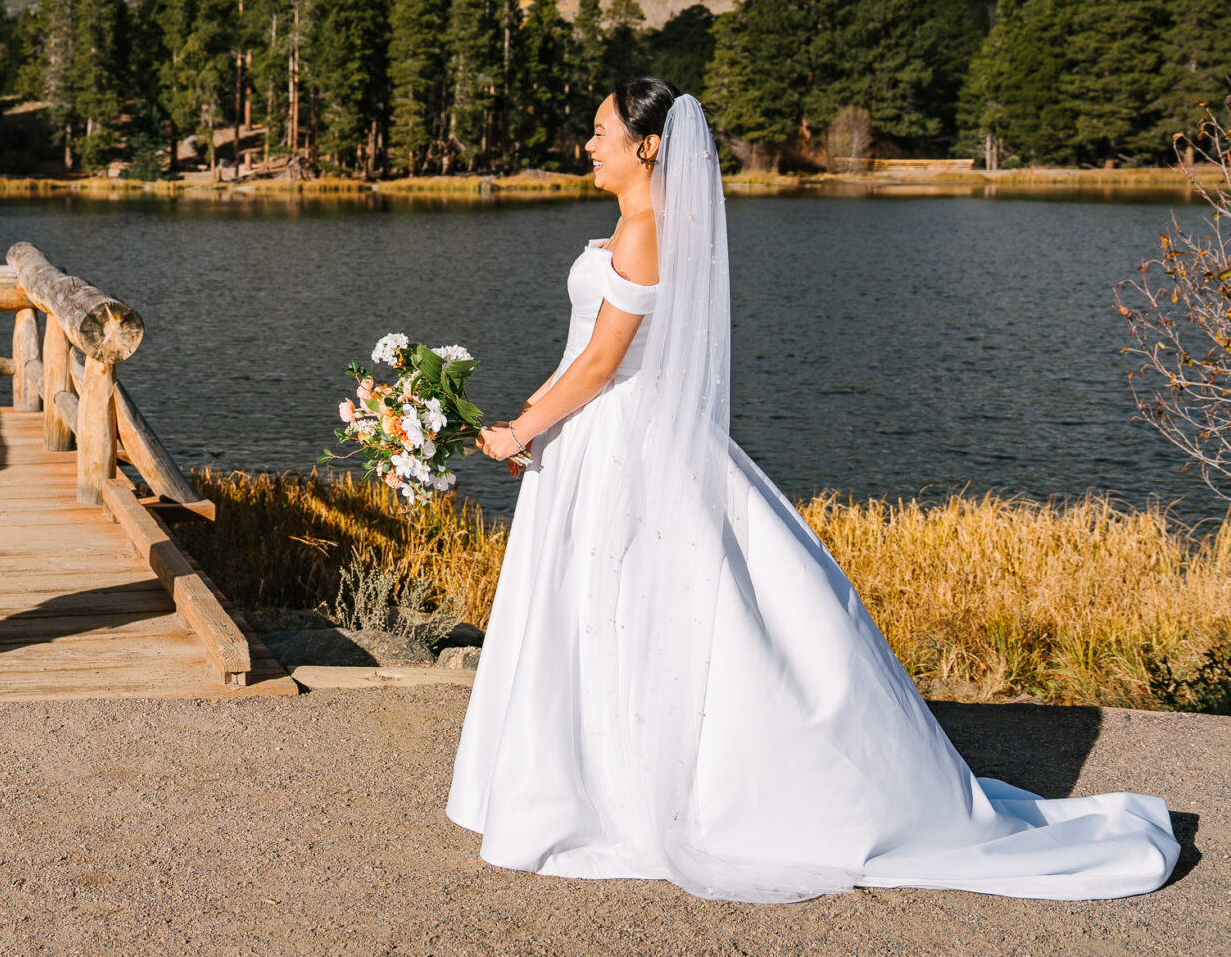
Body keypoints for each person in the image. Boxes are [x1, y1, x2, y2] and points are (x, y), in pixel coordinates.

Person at [453, 78, 1178, 902]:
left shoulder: (651, 227)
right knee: (602, 606)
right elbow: (582, 349)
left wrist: (522, 430)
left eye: (601, 132)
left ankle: (630, 791)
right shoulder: (632, 221)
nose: (588, 145)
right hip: (595, 436)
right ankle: (581, 776)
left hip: (626, 440)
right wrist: (532, 421)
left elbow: (604, 362)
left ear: (647, 146)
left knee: (650, 604)